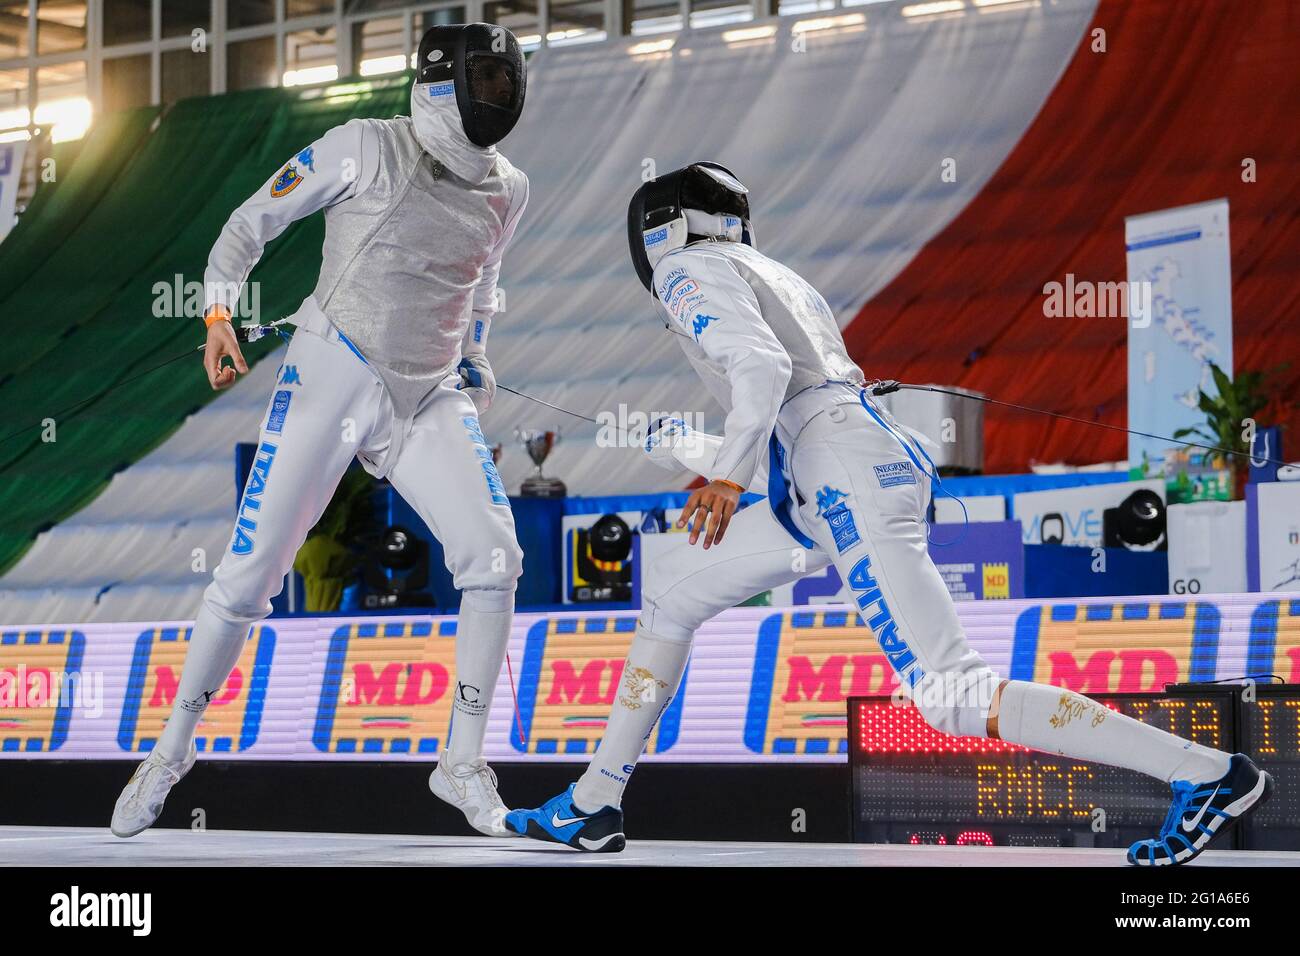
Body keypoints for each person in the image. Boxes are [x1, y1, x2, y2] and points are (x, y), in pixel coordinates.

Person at [505, 162, 1274, 864]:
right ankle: (594, 801)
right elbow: (796, 401)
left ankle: (1206, 772)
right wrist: (699, 451)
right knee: (672, 590)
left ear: (661, 226)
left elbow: (767, 372)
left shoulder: (685, 266)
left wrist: (726, 478)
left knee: (953, 695)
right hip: (835, 469)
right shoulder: (773, 270)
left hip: (842, 476)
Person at [112, 23, 530, 840]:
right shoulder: (362, 146)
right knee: (249, 575)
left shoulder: (510, 187)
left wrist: (477, 354)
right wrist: (218, 308)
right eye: (486, 79)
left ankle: (461, 762)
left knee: (496, 558)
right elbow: (251, 220)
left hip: (430, 391)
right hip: (335, 365)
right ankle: (169, 751)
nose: (501, 96)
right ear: (442, 80)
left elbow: (485, 279)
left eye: (510, 82)